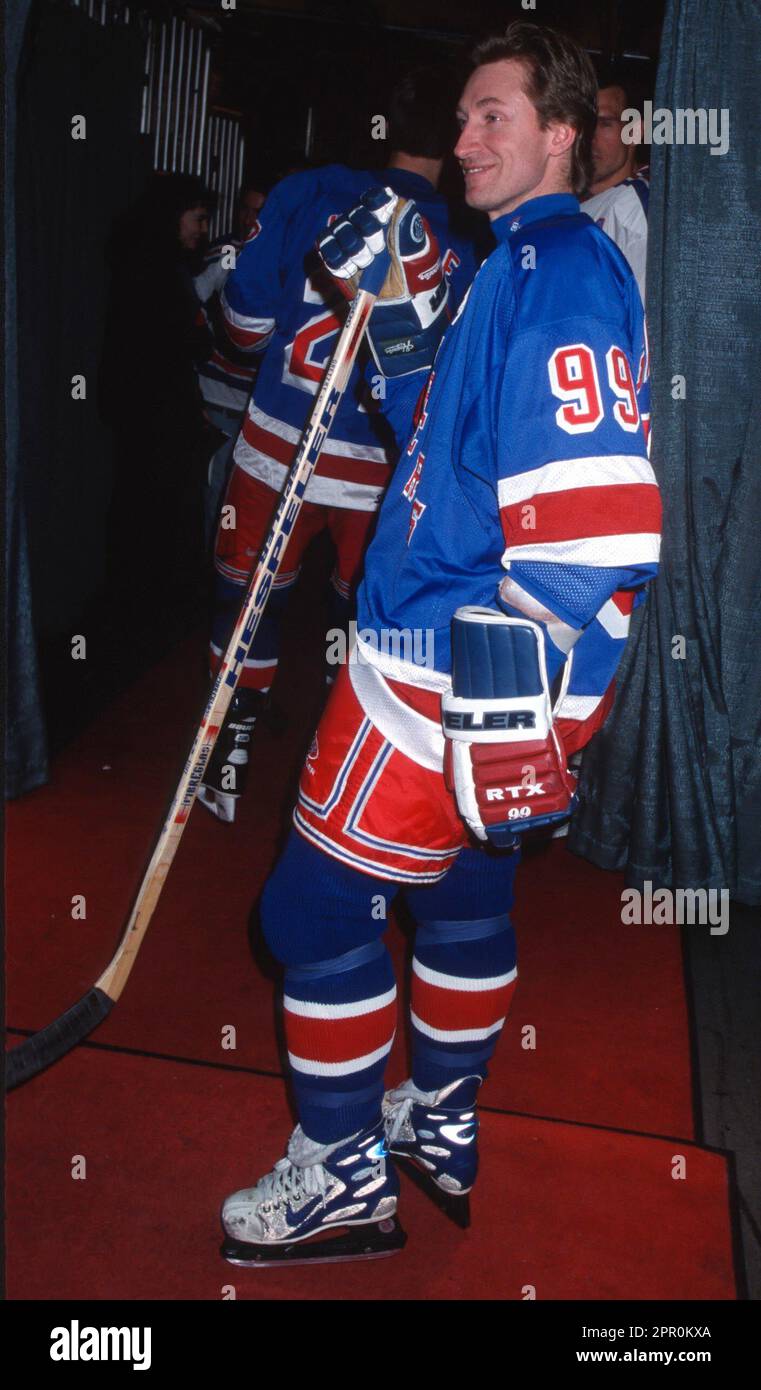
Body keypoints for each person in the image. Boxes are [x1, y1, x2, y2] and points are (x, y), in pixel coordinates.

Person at [219, 21, 661, 1267]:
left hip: (443, 659)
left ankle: (340, 1176)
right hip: (482, 658)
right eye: (459, 117)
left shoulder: (559, 264)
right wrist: (405, 327)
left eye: (495, 116)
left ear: (562, 133)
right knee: (465, 892)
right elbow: (452, 449)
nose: (465, 140)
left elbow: (595, 522)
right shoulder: (513, 257)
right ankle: (443, 1118)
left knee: (308, 917)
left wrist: (503, 691)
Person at [197, 66, 483, 825]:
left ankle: (228, 754)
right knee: (369, 625)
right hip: (383, 476)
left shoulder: (306, 191)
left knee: (247, 609)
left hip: (277, 451)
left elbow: (245, 328)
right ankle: (343, 758)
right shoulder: (468, 240)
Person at [100, 174, 216, 626]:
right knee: (159, 512)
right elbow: (189, 344)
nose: (203, 230)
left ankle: (137, 603)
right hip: (159, 417)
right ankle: (151, 607)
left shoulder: (139, 262)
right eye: (198, 219)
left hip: (141, 412)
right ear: (174, 215)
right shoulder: (160, 271)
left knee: (138, 507)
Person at [194, 181, 273, 550]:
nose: (249, 218)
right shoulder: (228, 251)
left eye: (258, 211)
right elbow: (191, 297)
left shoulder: (282, 257)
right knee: (214, 501)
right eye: (245, 209)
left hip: (254, 407)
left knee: (239, 508)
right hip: (216, 399)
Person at [583, 70, 650, 301]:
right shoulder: (558, 203)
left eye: (604, 123)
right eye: (583, 123)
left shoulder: (636, 206)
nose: (589, 136)